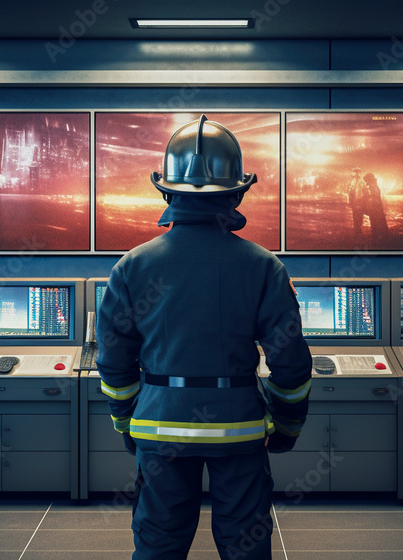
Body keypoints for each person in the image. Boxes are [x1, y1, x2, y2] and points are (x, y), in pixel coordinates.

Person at [96, 115, 313, 560]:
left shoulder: (132, 267)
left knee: (158, 542)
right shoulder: (263, 266)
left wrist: (126, 423)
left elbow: (115, 361)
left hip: (158, 426)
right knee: (244, 542)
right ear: (237, 190)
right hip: (240, 429)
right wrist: (287, 428)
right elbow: (290, 362)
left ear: (166, 191)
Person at [346, 167, 370, 239]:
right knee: (358, 217)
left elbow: (352, 192)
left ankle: (357, 231)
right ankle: (358, 231)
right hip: (358, 203)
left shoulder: (357, 181)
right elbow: (365, 192)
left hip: (357, 203)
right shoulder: (359, 181)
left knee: (357, 217)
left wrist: (351, 202)